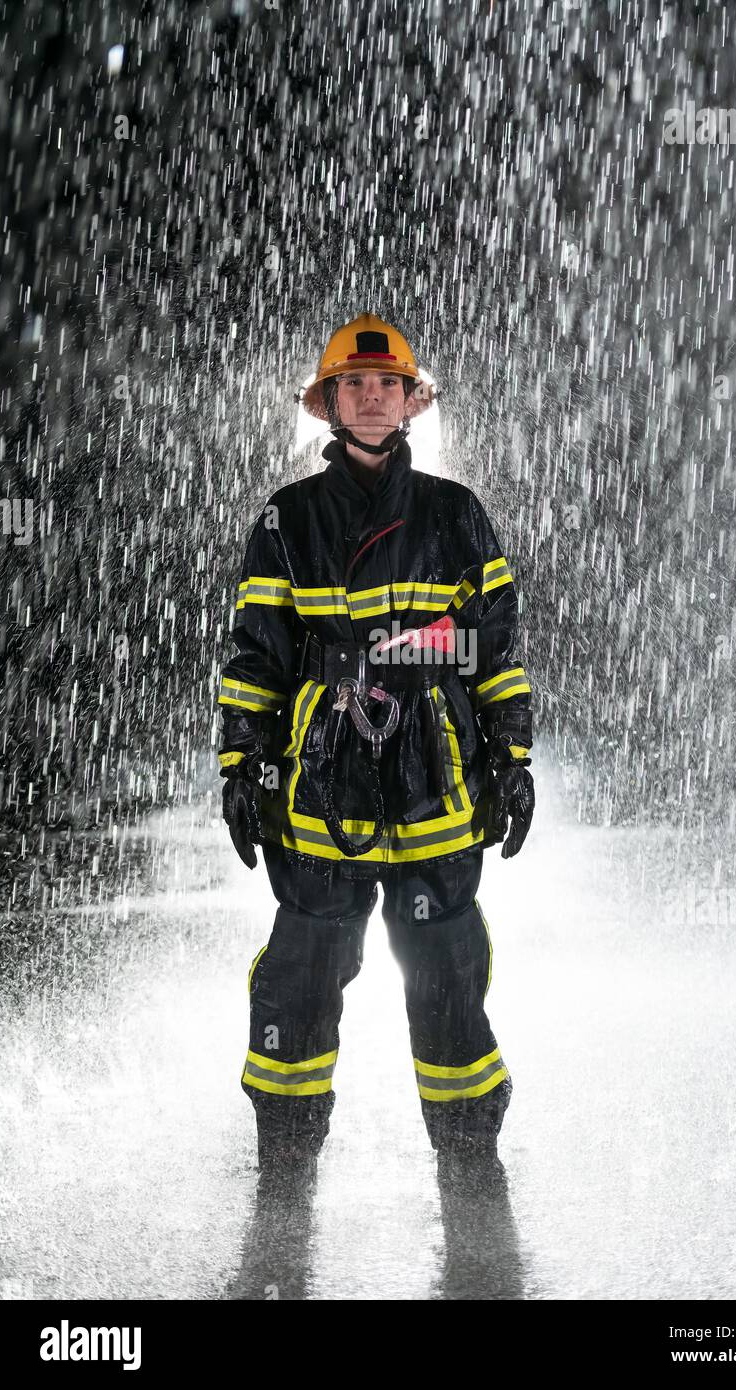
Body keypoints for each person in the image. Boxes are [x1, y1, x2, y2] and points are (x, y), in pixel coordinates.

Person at [218, 313, 534, 1183]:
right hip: (323, 775)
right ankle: (286, 1147)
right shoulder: (288, 520)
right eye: (352, 386)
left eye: (385, 384)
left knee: (444, 967)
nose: (369, 397)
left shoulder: (454, 513)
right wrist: (241, 762)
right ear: (328, 404)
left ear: (407, 401)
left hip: (434, 766)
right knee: (304, 968)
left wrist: (512, 755)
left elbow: (493, 649)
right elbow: (257, 653)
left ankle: (469, 1149)